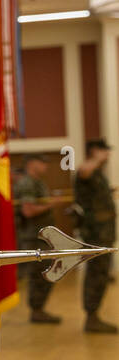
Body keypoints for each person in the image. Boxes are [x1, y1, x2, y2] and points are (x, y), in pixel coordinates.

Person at [74, 139, 115, 334]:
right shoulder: (87, 169)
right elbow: (84, 171)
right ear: (94, 151)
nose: (108, 154)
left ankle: (94, 316)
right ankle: (91, 318)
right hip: (96, 234)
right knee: (96, 273)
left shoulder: (98, 174)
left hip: (105, 233)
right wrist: (96, 159)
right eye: (105, 151)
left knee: (101, 274)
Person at [14, 154, 59, 323]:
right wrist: (51, 204)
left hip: (41, 237)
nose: (45, 166)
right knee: (40, 276)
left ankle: (38, 309)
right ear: (32, 163)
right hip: (34, 237)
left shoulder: (36, 182)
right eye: (42, 162)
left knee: (43, 275)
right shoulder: (28, 183)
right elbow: (28, 211)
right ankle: (37, 310)